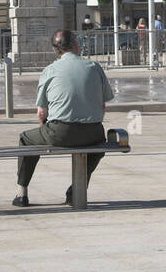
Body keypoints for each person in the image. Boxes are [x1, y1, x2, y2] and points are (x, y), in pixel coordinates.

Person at [12, 29, 115, 207]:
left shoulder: (50, 70)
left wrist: (46, 129)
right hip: (93, 132)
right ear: (75, 44)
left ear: (55, 50)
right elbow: (103, 105)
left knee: (25, 139)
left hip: (61, 132)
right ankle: (76, 189)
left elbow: (41, 113)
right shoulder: (94, 67)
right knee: (97, 147)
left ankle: (22, 194)